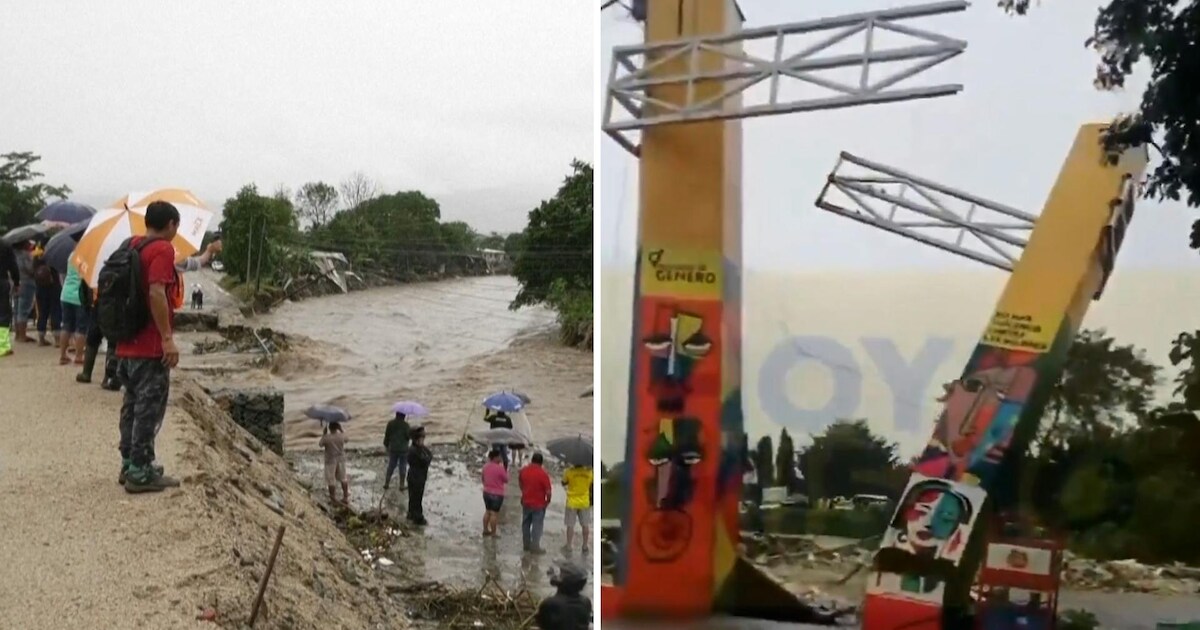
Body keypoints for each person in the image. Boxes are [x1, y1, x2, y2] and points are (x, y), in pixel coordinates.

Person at [114, 201, 184, 493]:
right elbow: (157, 291)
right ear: (170, 224)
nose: (175, 232)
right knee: (148, 409)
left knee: (131, 404)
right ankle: (140, 472)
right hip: (150, 346)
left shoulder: (130, 244)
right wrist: (167, 338)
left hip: (125, 343)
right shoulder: (163, 250)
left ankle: (129, 462)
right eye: (176, 227)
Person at [535, 563, 591, 630]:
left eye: (561, 575)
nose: (557, 577)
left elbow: (542, 624)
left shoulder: (550, 604)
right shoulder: (586, 602)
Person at [518, 452, 552, 554]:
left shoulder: (524, 471)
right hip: (539, 504)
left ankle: (526, 545)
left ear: (532, 460)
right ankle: (535, 546)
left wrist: (524, 492)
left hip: (526, 501)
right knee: (537, 525)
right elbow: (548, 492)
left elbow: (520, 482)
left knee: (525, 524)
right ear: (541, 463)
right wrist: (547, 501)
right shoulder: (543, 474)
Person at [58, 261, 89, 366]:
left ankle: (62, 355)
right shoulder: (88, 257)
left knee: (66, 325)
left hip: (66, 293)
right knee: (81, 328)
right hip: (79, 295)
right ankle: (79, 356)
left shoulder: (72, 256)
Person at [561, 464, 594, 554]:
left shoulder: (569, 472)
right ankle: (585, 546)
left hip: (572, 502)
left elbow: (563, 482)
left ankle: (568, 546)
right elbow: (592, 484)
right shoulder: (589, 472)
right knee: (585, 525)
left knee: (570, 525)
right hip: (584, 502)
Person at [406, 426, 433, 525]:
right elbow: (426, 460)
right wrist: (427, 458)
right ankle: (418, 517)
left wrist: (426, 454)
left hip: (418, 476)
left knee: (413, 497)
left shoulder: (420, 448)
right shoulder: (413, 450)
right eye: (422, 437)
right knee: (416, 497)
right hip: (416, 477)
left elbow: (430, 455)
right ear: (416, 439)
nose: (423, 439)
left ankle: (411, 513)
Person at [32, 255, 61, 347]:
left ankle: (41, 339)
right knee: (55, 312)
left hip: (40, 289)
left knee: (42, 313)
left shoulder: (35, 260)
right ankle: (57, 340)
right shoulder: (53, 257)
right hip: (53, 288)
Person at [319, 421, 350, 507]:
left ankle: (333, 499)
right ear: (337, 428)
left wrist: (324, 434)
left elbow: (320, 444)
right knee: (343, 478)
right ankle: (345, 497)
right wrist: (342, 430)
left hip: (330, 460)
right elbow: (347, 439)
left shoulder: (326, 437)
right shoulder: (341, 436)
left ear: (329, 428)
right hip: (341, 459)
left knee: (331, 480)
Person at [13, 241, 36, 344]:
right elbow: (29, 269)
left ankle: (18, 334)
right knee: (24, 309)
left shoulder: (11, 254)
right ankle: (23, 335)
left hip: (14, 283)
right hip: (26, 282)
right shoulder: (25, 255)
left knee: (16, 309)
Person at [481, 449, 508, 536]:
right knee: (494, 514)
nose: (501, 458)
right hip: (497, 494)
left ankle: (485, 529)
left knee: (487, 511)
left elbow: (483, 479)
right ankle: (493, 533)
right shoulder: (500, 468)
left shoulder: (485, 466)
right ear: (495, 457)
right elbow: (506, 480)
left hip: (486, 492)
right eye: (499, 456)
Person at [383, 412, 410, 491]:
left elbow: (387, 435)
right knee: (403, 466)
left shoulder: (390, 424)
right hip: (403, 449)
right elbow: (408, 437)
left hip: (393, 449)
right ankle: (401, 485)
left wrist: (386, 445)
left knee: (391, 465)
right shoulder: (406, 425)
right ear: (404, 416)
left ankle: (386, 483)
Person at [0, 238, 18, 357]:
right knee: (3, 313)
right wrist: (17, 282)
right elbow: (13, 265)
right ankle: (2, 346)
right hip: (2, 281)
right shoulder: (5, 245)